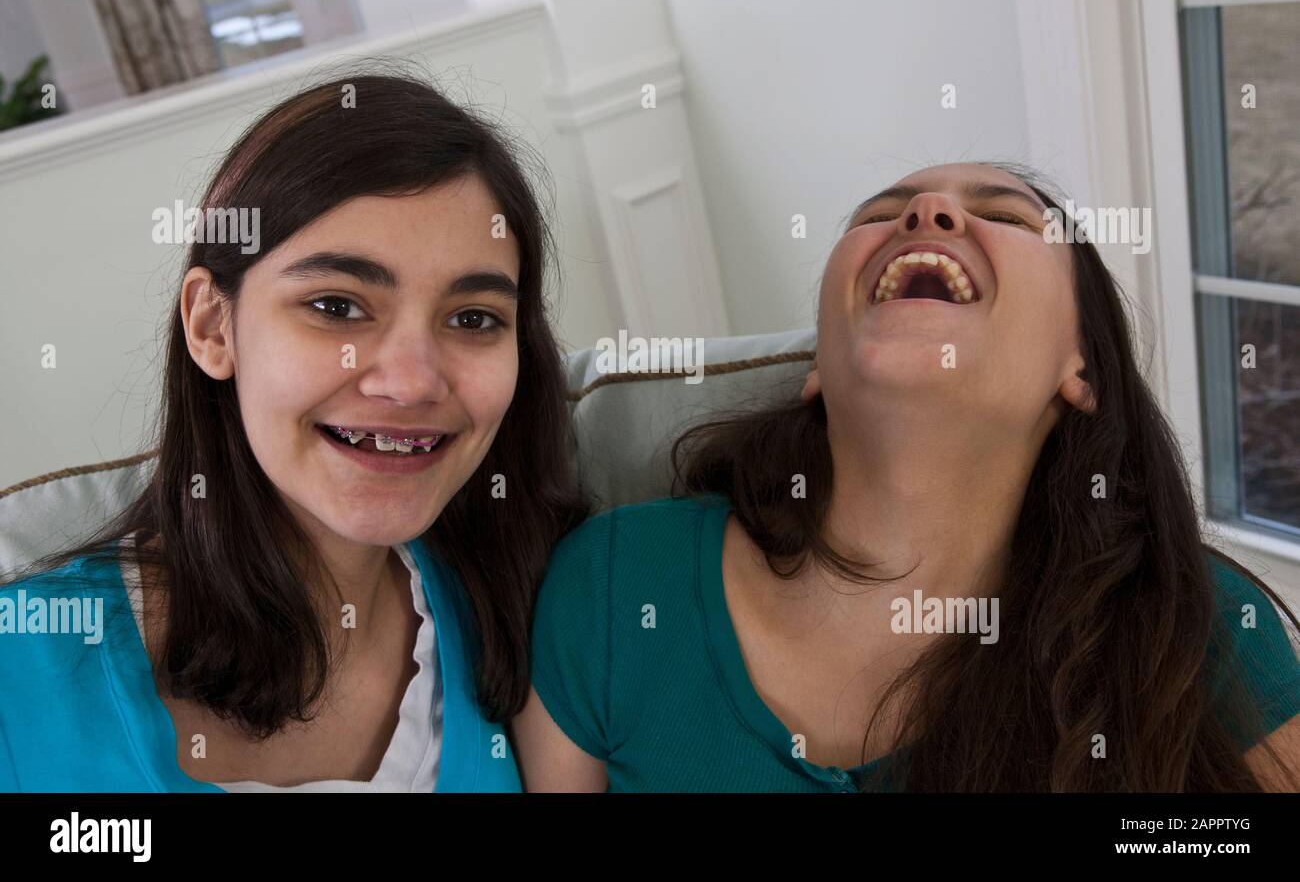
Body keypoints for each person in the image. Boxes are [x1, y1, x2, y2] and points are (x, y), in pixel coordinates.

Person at [514, 161, 1300, 792]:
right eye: (878, 214)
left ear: (1082, 367)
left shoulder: (1199, 630)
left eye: (1006, 215)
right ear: (817, 365)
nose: (927, 210)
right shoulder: (615, 583)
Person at [0, 72, 586, 791]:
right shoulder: (22, 671)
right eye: (337, 306)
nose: (411, 381)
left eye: (473, 319)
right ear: (214, 327)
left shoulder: (531, 603)